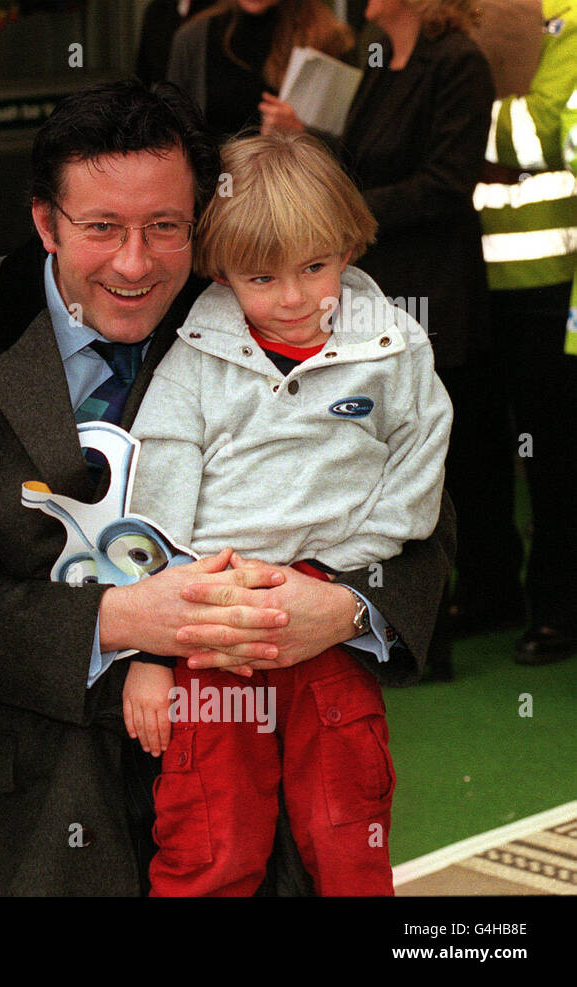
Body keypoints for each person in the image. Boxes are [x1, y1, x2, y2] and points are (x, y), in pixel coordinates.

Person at [0, 80, 454, 896]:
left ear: (205, 222)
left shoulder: (267, 284)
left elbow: (422, 508)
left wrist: (345, 608)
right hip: (48, 795)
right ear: (46, 220)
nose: (136, 262)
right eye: (102, 227)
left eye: (166, 227)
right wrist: (118, 621)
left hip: (269, 754)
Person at [123, 133, 451, 896]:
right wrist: (151, 649)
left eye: (315, 266)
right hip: (212, 619)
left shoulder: (396, 347)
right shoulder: (195, 357)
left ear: (347, 245)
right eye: (262, 276)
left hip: (328, 622)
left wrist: (343, 577)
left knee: (348, 832)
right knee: (210, 834)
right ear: (221, 269)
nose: (295, 297)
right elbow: (157, 491)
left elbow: (419, 469)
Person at [261, 0, 493, 680]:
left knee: (435, 462)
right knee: (374, 455)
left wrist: (345, 218)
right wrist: (308, 139)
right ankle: (395, 619)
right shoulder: (372, 54)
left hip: (435, 290)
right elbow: (356, 163)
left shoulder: (458, 63)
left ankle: (435, 630)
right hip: (372, 290)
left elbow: (447, 184)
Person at [466, 0, 577, 664]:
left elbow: (549, 133)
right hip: (462, 264)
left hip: (547, 270)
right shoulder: (460, 13)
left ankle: (559, 605)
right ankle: (487, 587)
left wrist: (449, 115)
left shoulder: (567, 13)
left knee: (554, 451)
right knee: (471, 446)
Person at [166, 0, 351, 139]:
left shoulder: (328, 38)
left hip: (290, 180)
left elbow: (350, 146)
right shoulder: (193, 38)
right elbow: (175, 130)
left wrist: (301, 133)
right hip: (218, 181)